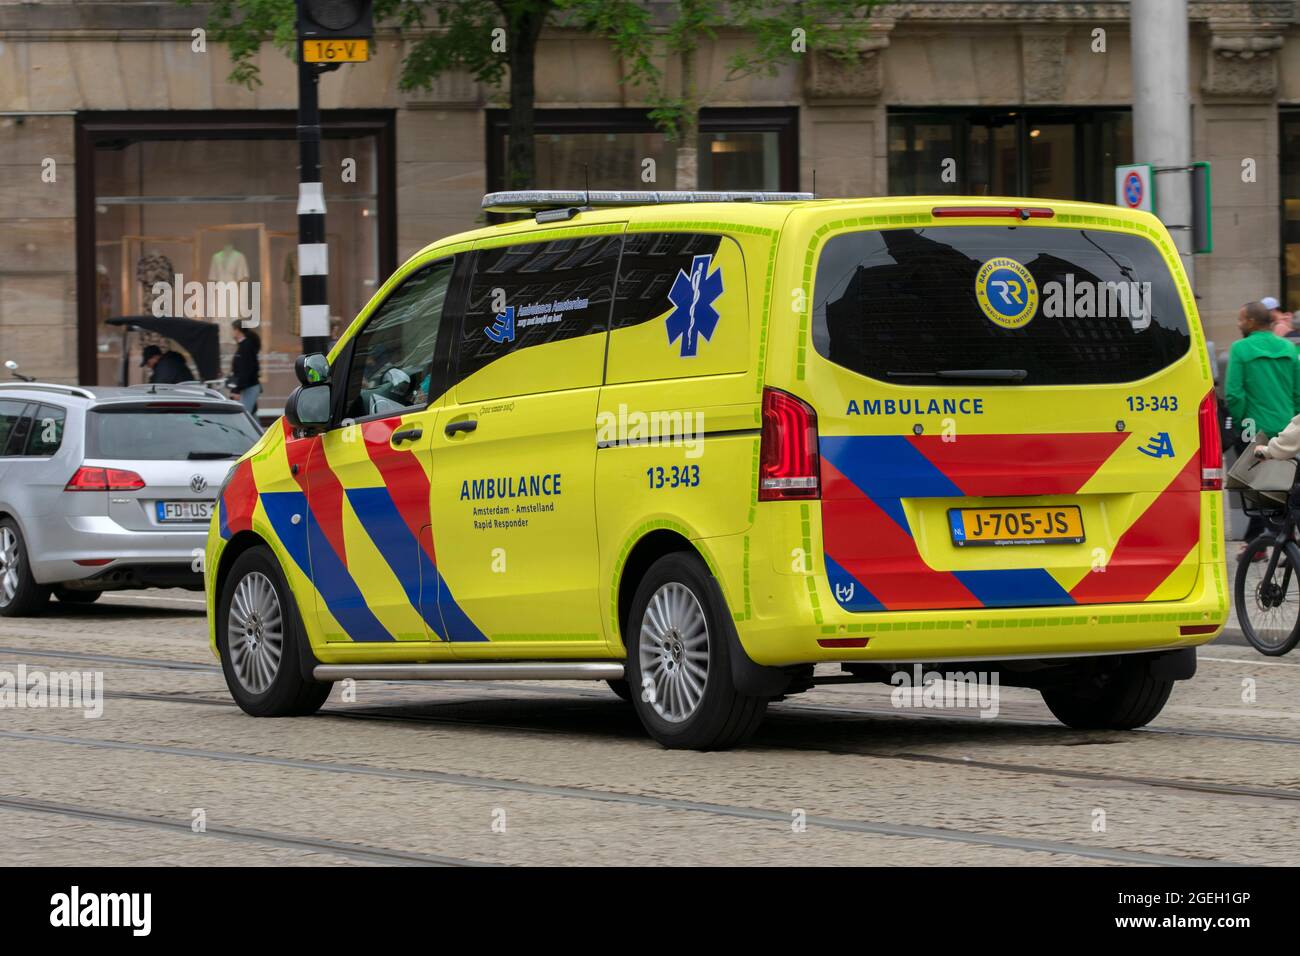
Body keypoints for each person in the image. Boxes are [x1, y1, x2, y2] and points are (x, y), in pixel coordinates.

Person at [1226, 300, 1300, 555]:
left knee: (1254, 483)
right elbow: (1298, 392)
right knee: (1285, 483)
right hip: (1286, 426)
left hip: (1253, 427)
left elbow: (1234, 393)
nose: (1238, 323)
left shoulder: (1240, 349)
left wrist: (1240, 420)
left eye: (1240, 319)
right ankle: (1285, 537)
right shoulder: (1288, 349)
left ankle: (1259, 541)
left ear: (1251, 322)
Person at [228, 320, 261, 415]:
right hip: (248, 387)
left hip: (249, 387)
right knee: (251, 417)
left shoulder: (246, 346)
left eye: (232, 330)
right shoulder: (244, 345)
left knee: (244, 416)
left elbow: (245, 370)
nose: (232, 332)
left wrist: (236, 390)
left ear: (237, 330)